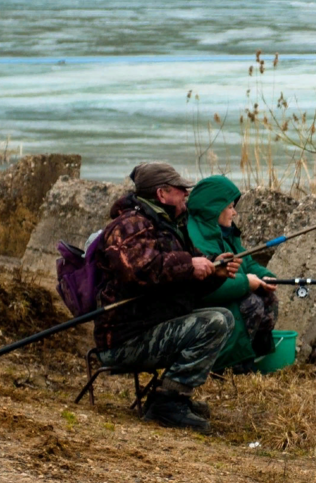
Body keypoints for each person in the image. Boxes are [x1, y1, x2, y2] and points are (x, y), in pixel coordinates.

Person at [94, 162, 241, 432]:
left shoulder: (169, 225)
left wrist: (214, 270)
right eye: (180, 189)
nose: (186, 194)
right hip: (125, 339)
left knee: (223, 318)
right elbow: (139, 271)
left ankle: (174, 395)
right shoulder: (128, 225)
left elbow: (183, 281)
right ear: (162, 195)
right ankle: (167, 404)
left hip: (152, 326)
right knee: (214, 323)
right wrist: (190, 265)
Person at [186, 175, 279, 374]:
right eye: (229, 207)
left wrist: (265, 276)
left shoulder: (225, 233)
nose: (234, 212)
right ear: (214, 209)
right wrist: (247, 283)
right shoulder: (195, 238)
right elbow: (210, 288)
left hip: (224, 296)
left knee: (267, 296)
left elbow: (247, 263)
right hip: (200, 306)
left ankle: (249, 356)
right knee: (250, 303)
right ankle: (224, 365)